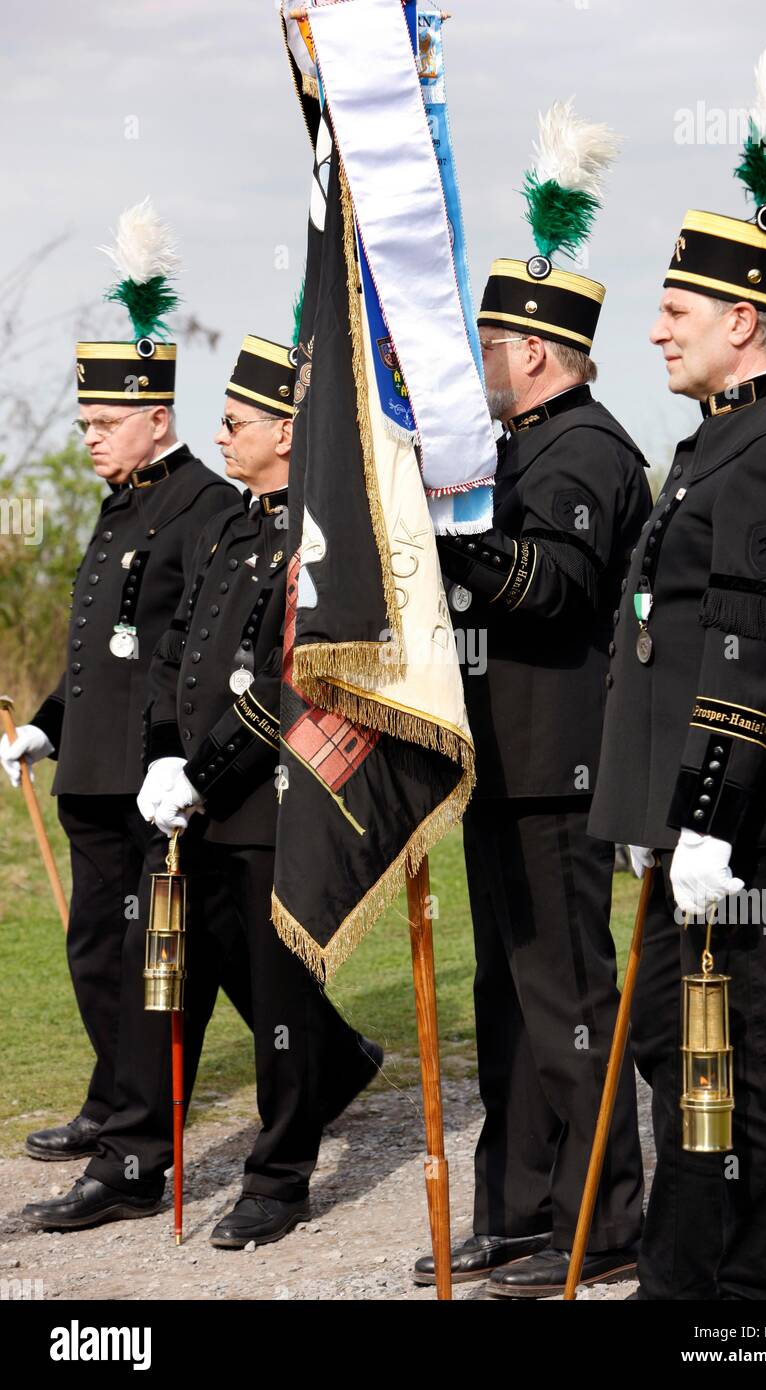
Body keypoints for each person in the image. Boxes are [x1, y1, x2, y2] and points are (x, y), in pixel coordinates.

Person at [589, 37, 766, 1299]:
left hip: (739, 812)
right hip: (699, 808)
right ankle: (688, 1268)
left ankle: (758, 1295)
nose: (652, 329)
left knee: (742, 1046)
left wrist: (702, 814)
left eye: (674, 312)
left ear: (740, 321)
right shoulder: (721, 440)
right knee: (671, 1034)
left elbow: (751, 651)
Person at [22, 333, 381, 1246]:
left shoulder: (318, 539)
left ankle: (279, 1178)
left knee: (280, 997)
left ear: (287, 432)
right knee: (160, 984)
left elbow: (291, 682)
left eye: (234, 422)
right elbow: (171, 654)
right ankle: (131, 1162)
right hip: (185, 809)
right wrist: (157, 758)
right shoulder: (232, 528)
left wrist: (202, 771)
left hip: (266, 807)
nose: (219, 436)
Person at [415, 104, 649, 1298]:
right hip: (501, 762)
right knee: (505, 1000)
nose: (476, 363)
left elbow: (550, 589)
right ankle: (517, 1210)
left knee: (566, 998)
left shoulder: (586, 452)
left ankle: (603, 1218)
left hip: (560, 765)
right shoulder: (518, 450)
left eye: (488, 345)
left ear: (540, 352)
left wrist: (452, 536)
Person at [0, 203, 248, 1162]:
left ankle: (144, 1111)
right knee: (98, 950)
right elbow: (101, 649)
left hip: (157, 772)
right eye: (84, 424)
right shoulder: (118, 504)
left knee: (171, 955)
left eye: (106, 424)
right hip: (92, 772)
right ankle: (115, 1100)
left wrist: (177, 757)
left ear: (157, 418)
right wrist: (45, 728)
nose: (90, 440)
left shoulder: (206, 504)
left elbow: (193, 650)